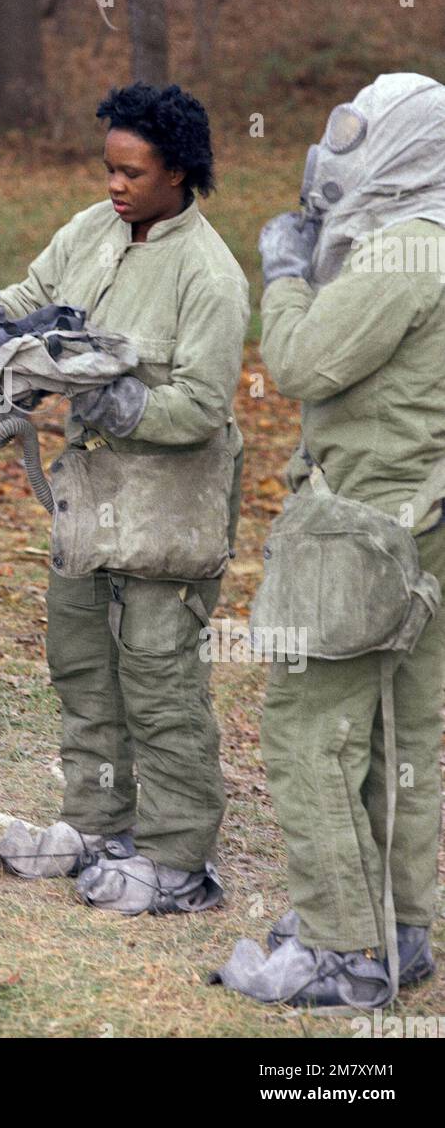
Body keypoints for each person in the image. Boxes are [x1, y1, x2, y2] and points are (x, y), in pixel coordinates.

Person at [0, 83, 250, 912]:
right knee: (81, 660)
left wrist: (121, 402)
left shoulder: (209, 275)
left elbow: (202, 406)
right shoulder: (90, 229)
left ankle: (179, 860)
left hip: (169, 502)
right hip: (90, 498)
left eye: (131, 172)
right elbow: (32, 301)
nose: (114, 186)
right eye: (108, 168)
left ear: (178, 172)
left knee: (157, 676)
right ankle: (96, 825)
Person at [213, 73, 445, 1008]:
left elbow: (304, 362)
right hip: (419, 525)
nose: (335, 154)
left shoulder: (403, 253)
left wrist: (283, 276)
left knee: (310, 729)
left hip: (362, 529)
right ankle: (398, 928)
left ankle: (343, 952)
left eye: (357, 134)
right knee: (400, 731)